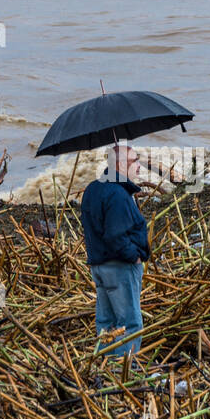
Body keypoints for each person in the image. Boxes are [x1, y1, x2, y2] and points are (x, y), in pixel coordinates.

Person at [80, 143, 149, 356]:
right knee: (129, 324)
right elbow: (115, 235)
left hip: (99, 265)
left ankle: (104, 368)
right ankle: (125, 372)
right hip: (120, 267)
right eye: (134, 161)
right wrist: (134, 257)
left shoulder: (93, 188)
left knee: (106, 323)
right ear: (119, 164)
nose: (139, 166)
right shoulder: (117, 194)